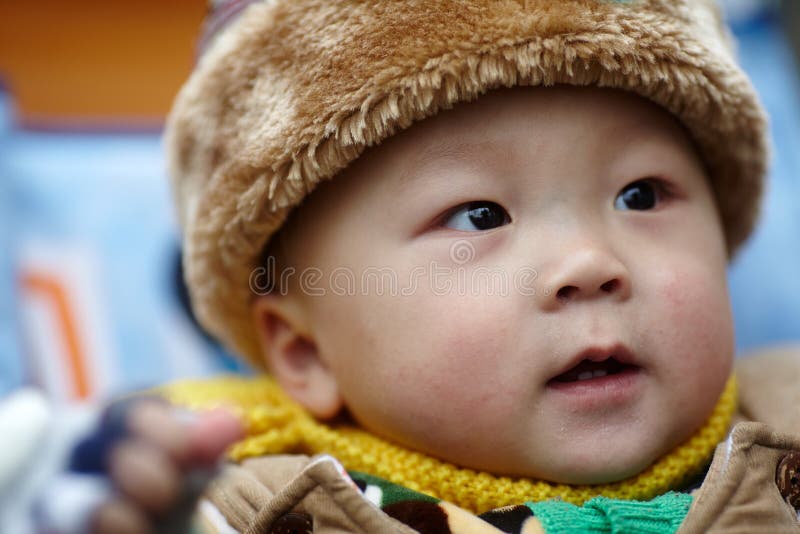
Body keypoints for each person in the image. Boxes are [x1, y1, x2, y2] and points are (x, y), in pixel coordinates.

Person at [58, 1, 800, 532]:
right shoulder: (247, 505)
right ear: (305, 352)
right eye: (480, 215)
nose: (589, 263)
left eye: (641, 195)